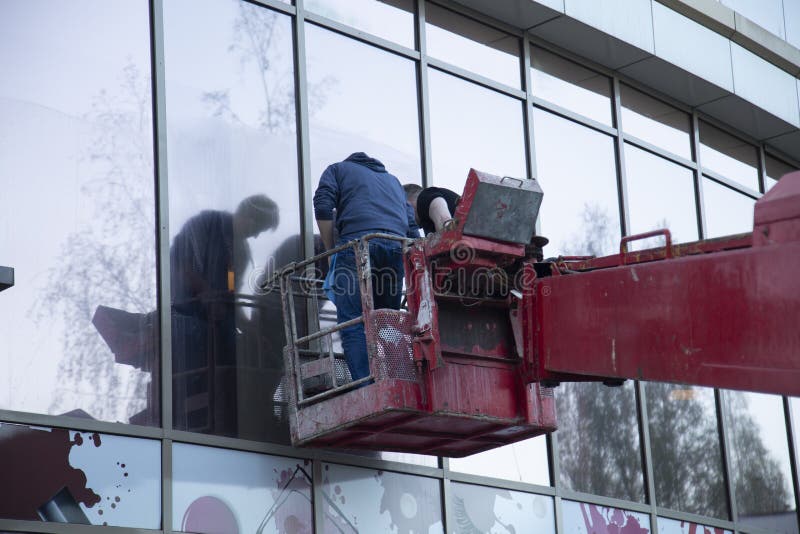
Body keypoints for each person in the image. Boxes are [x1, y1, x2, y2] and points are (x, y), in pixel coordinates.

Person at [313, 152, 418, 381]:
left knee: (353, 322)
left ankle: (366, 386)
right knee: (387, 321)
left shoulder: (337, 169)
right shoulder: (394, 182)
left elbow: (322, 206)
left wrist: (332, 251)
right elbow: (412, 233)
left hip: (357, 246)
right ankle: (397, 380)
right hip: (394, 250)